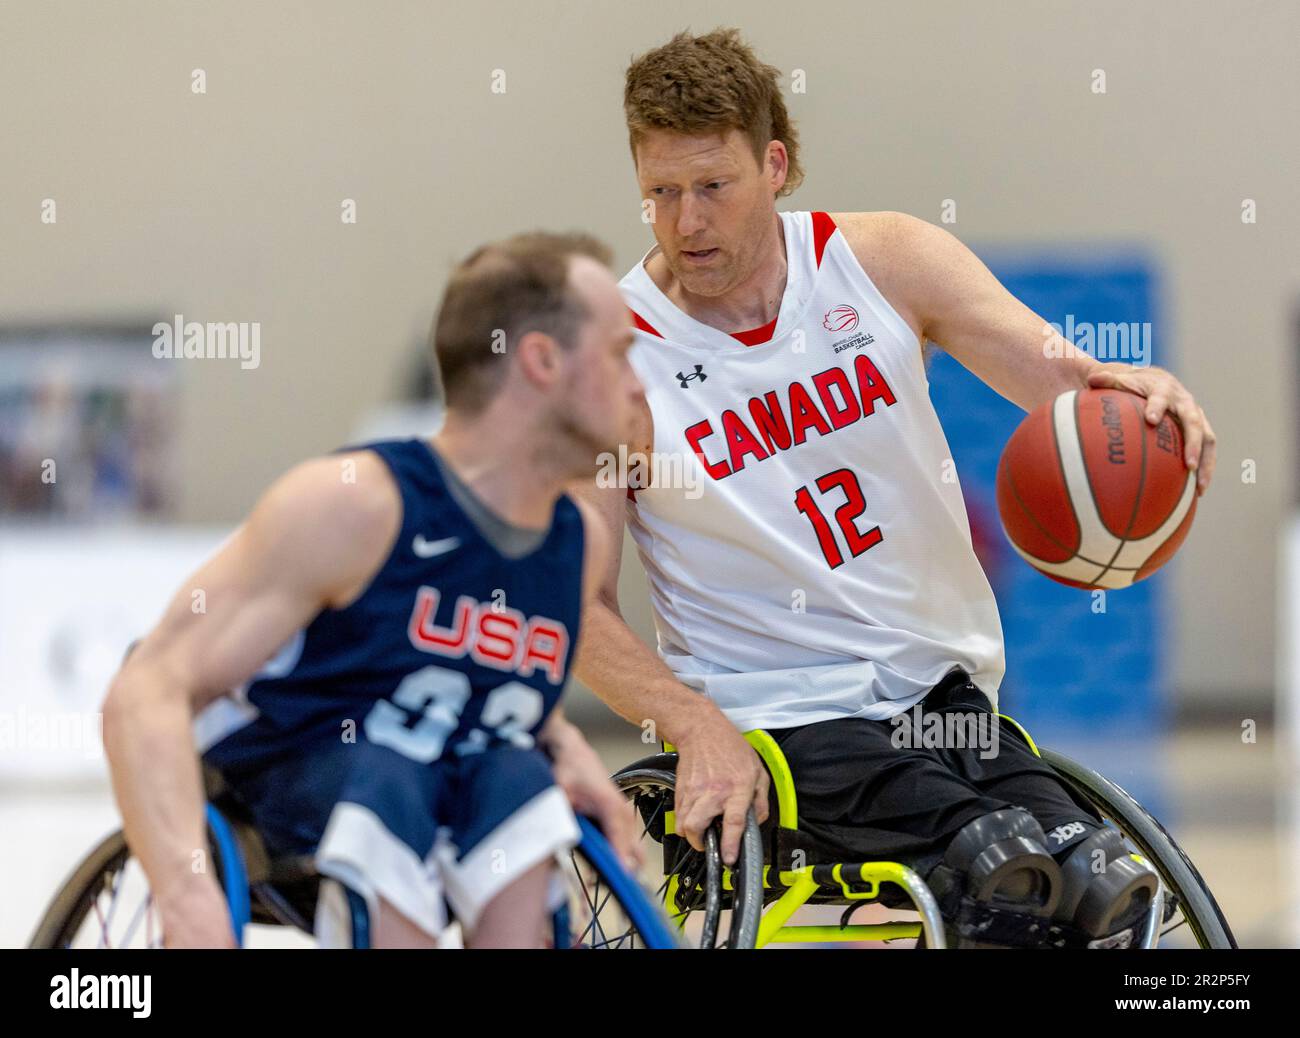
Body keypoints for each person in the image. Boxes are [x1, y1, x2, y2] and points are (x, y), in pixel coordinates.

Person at [572, 27, 1218, 948]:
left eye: (712, 187)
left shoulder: (882, 260)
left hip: (938, 694)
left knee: (1087, 862)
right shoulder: (613, 358)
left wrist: (1139, 394)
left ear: (776, 164)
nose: (687, 223)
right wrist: (690, 723)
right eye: (660, 194)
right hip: (775, 716)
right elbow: (576, 604)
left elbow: (1064, 381)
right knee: (991, 867)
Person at [103, 231, 646, 948]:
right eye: (619, 354)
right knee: (392, 776)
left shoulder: (577, 543)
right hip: (295, 786)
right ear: (541, 361)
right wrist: (187, 894)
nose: (641, 383)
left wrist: (566, 745)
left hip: (453, 778)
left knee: (517, 778)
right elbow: (144, 693)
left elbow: (468, 673)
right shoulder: (355, 506)